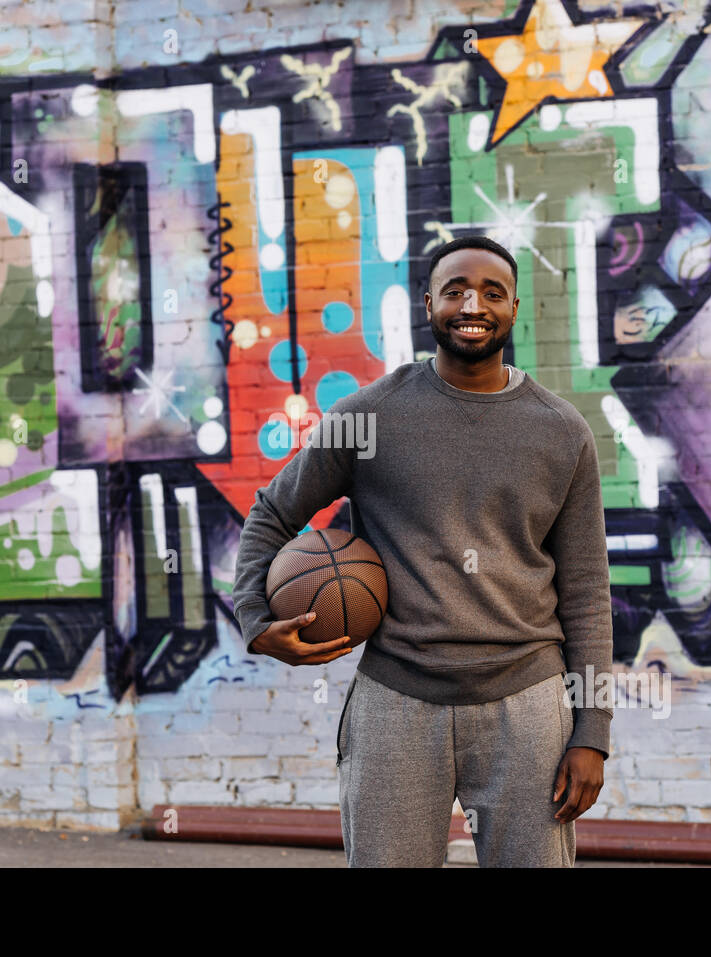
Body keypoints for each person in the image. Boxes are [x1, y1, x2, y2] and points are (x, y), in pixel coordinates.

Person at [231, 235, 613, 867]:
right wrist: (255, 620)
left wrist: (592, 732)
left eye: (492, 292)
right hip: (396, 698)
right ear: (429, 302)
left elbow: (586, 592)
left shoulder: (562, 432)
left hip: (528, 701)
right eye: (457, 289)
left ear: (515, 307)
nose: (473, 304)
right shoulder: (370, 415)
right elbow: (272, 513)